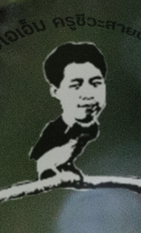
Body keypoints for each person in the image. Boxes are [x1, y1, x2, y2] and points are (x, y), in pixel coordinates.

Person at [30, 42, 107, 179]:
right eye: (76, 85)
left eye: (96, 83)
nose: (88, 94)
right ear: (56, 92)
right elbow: (36, 158)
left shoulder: (93, 128)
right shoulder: (55, 129)